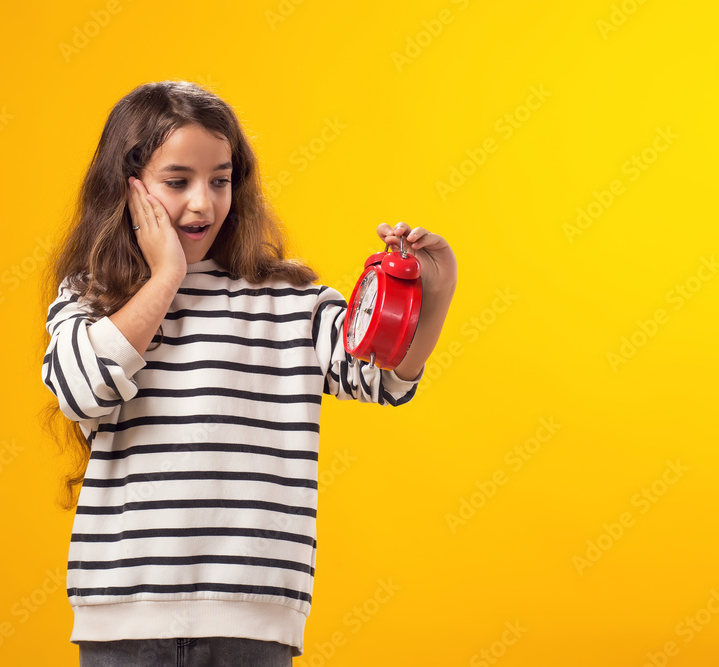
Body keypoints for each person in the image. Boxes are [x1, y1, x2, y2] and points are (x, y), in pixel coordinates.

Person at [39, 80, 457, 666]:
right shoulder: (92, 297)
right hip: (125, 615)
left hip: (253, 618)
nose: (203, 204)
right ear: (128, 188)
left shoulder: (290, 300)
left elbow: (383, 376)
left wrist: (435, 292)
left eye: (220, 180)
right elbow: (80, 391)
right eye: (177, 182)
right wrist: (165, 277)